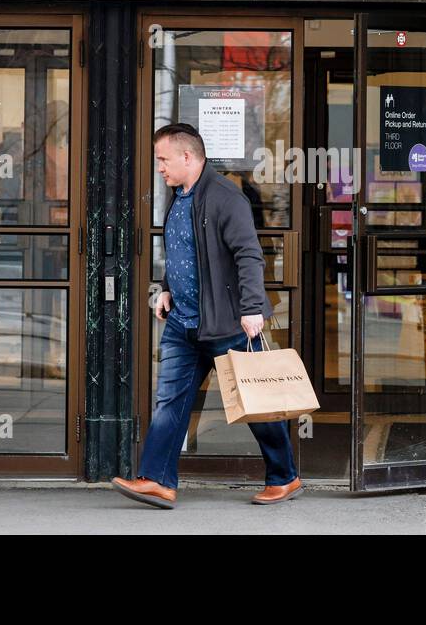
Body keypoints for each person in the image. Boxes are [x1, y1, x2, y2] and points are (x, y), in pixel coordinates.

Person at [111, 123, 300, 509]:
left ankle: (285, 477)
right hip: (184, 322)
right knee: (170, 401)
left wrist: (251, 308)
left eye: (163, 159)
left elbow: (249, 255)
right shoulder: (179, 196)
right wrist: (166, 287)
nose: (159, 167)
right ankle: (158, 481)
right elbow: (182, 250)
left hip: (227, 321)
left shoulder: (226, 198)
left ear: (187, 156)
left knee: (257, 404)